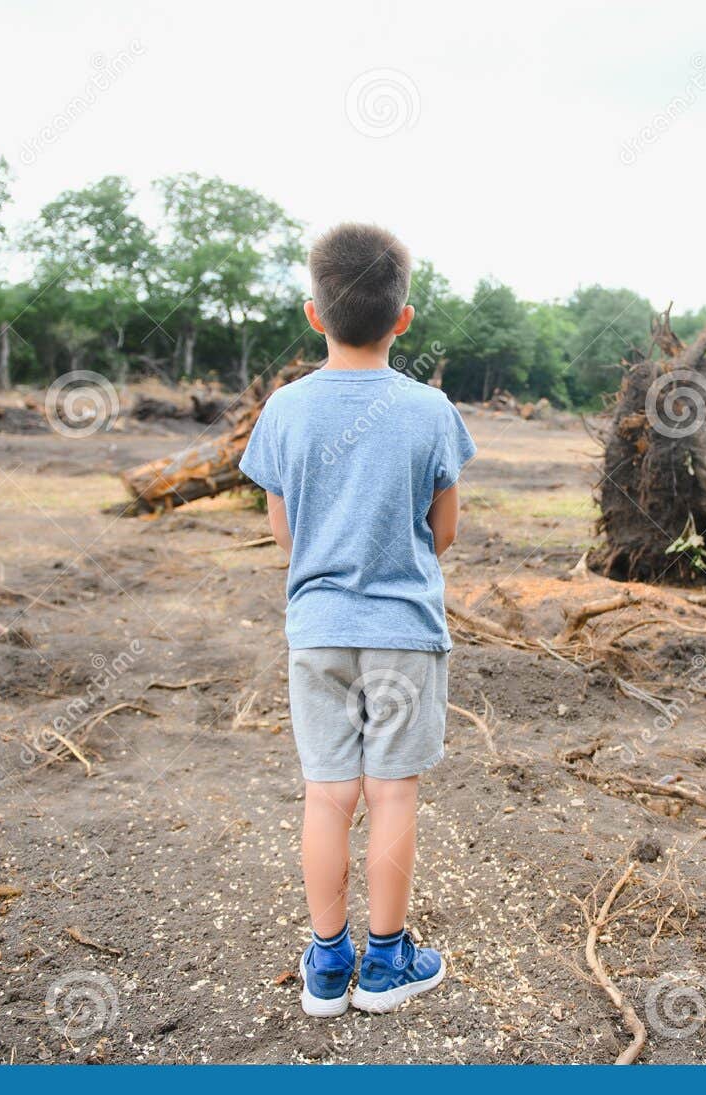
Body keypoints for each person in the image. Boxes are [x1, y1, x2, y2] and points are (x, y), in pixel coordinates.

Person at [239, 222, 476, 1016]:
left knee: (326, 796)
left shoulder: (285, 409)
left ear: (315, 314)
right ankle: (386, 963)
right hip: (404, 632)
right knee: (394, 796)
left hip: (317, 632)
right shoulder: (430, 409)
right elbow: (442, 535)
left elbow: (285, 533)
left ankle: (328, 962)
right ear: (403, 318)